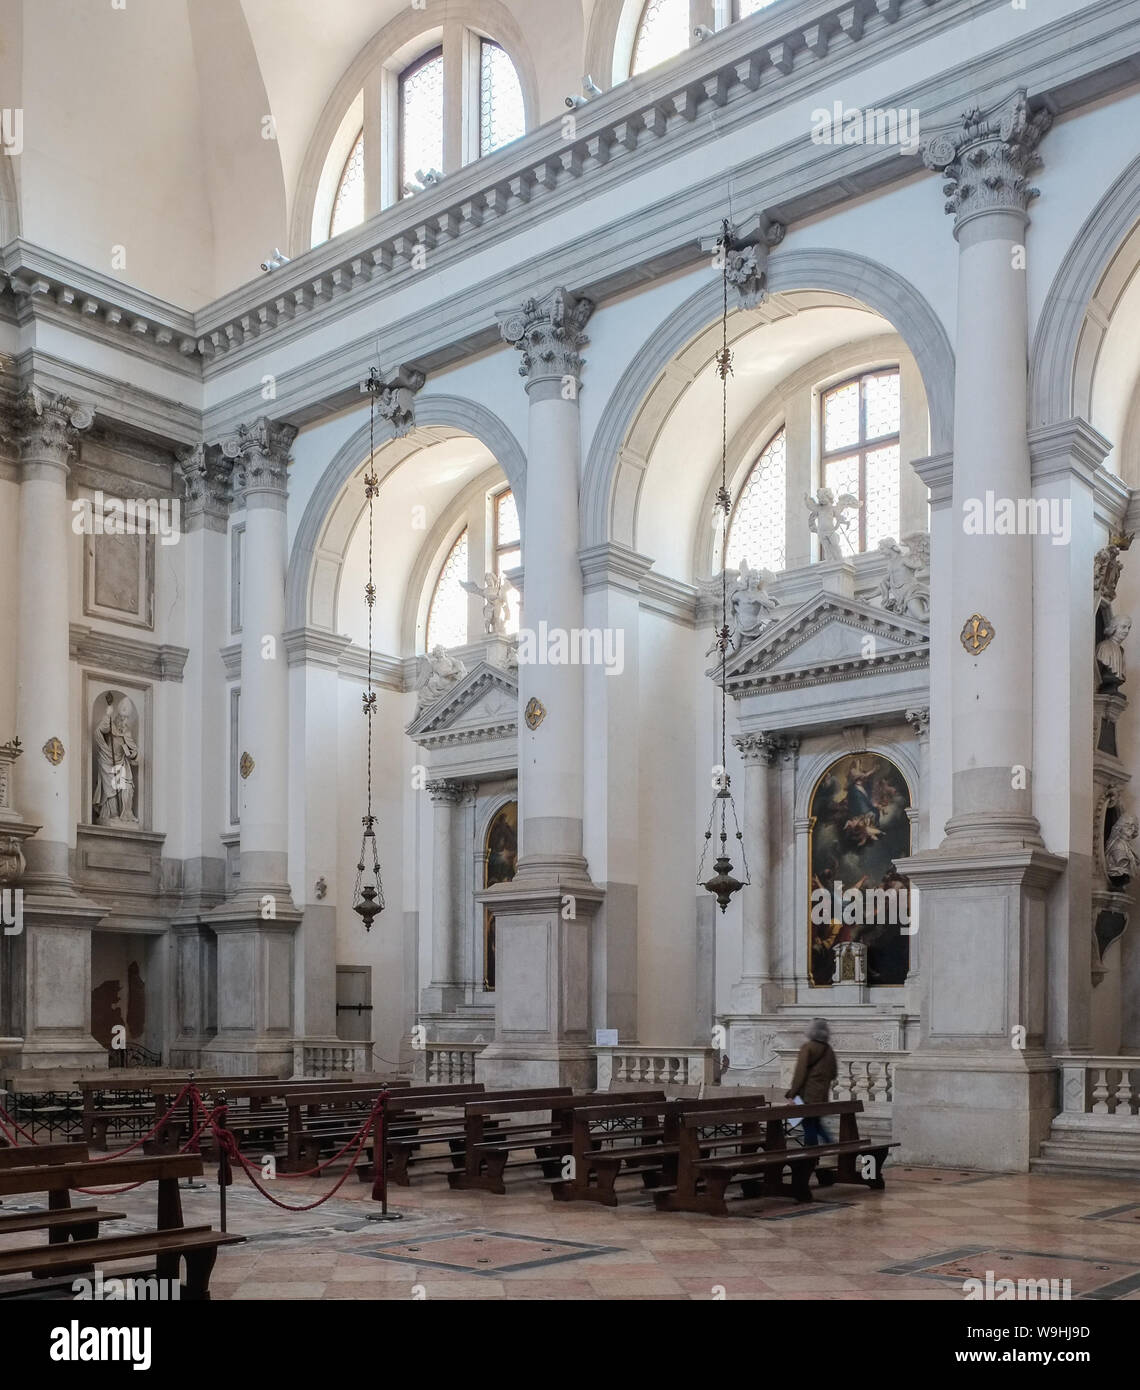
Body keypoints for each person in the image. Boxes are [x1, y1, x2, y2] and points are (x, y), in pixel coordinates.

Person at [786, 1018, 838, 1147]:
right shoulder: (828, 1049)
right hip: (822, 1095)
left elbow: (800, 1074)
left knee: (809, 1125)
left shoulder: (807, 1048)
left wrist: (792, 1093)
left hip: (807, 1095)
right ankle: (831, 1146)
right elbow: (833, 1073)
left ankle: (811, 1155)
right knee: (816, 1123)